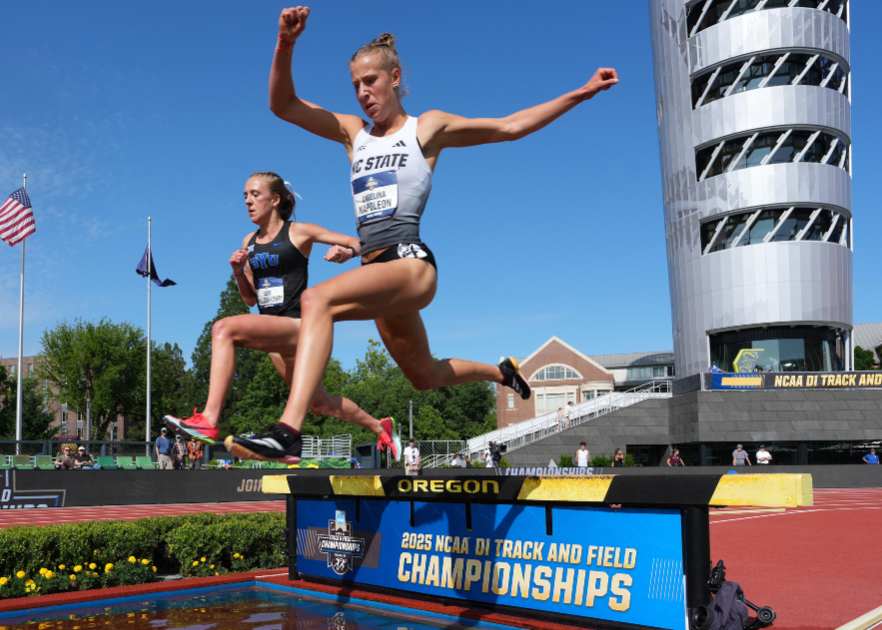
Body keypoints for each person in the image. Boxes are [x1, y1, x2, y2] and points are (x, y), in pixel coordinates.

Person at [226, 7, 618, 462]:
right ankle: (501, 371)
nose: (362, 93)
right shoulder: (354, 135)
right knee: (424, 375)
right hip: (376, 273)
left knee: (315, 301)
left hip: (410, 263)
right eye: (354, 85)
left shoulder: (425, 128)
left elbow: (510, 127)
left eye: (370, 81)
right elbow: (283, 105)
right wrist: (286, 43)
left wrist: (582, 93)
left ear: (394, 78)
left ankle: (288, 430)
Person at [164, 172, 400, 464]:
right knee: (320, 403)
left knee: (224, 329)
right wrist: (238, 271)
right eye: (245, 197)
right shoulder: (248, 241)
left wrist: (346, 252)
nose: (248, 202)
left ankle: (209, 419)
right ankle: (381, 427)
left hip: (302, 327)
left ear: (275, 199)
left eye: (254, 194)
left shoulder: (299, 231)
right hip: (277, 336)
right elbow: (251, 299)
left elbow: (360, 243)